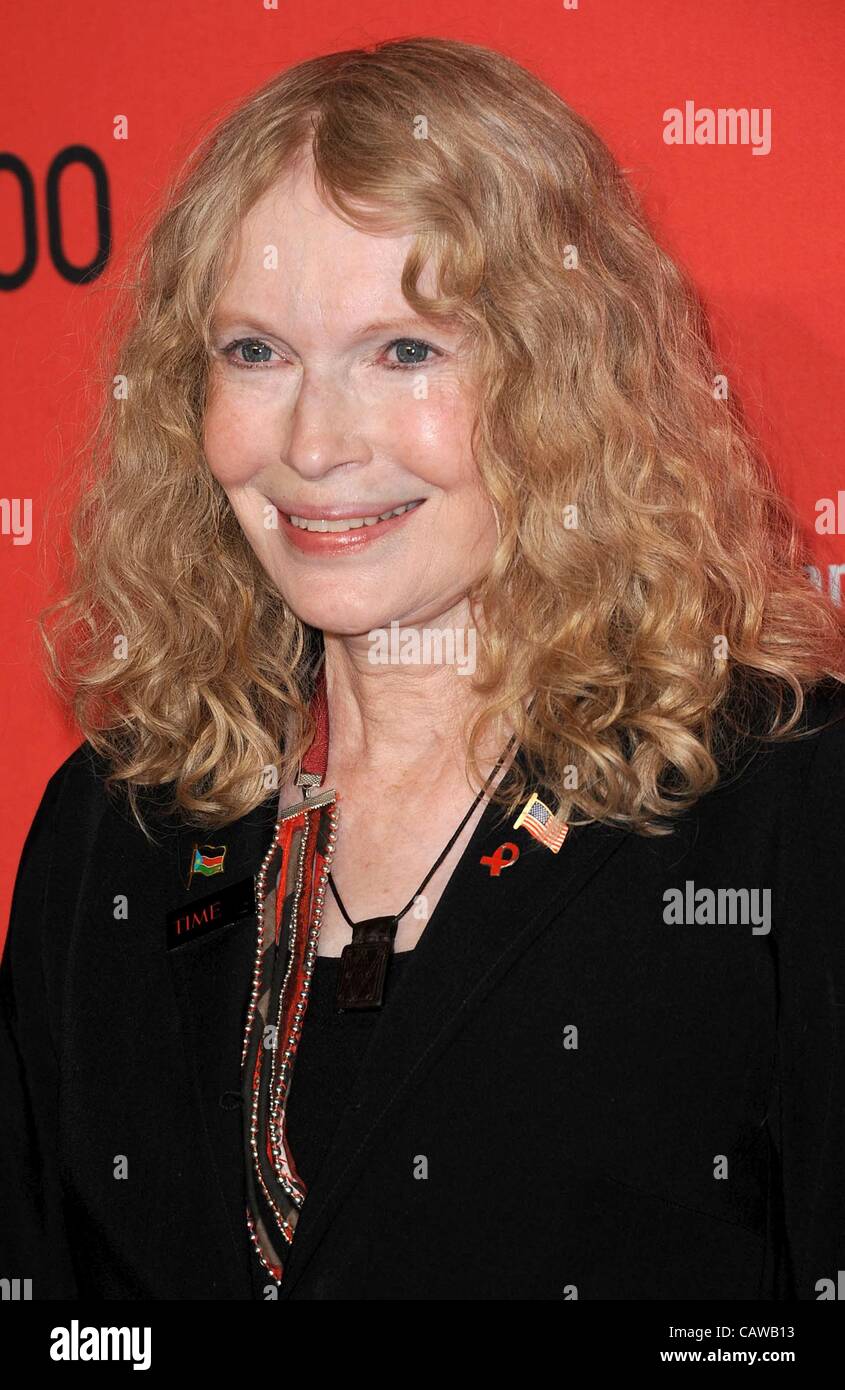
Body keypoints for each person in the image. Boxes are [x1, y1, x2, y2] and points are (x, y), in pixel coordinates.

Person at [2, 35, 845, 1302]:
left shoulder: (784, 806)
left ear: (560, 377)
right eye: (255, 353)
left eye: (404, 352)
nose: (316, 444)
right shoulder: (110, 833)